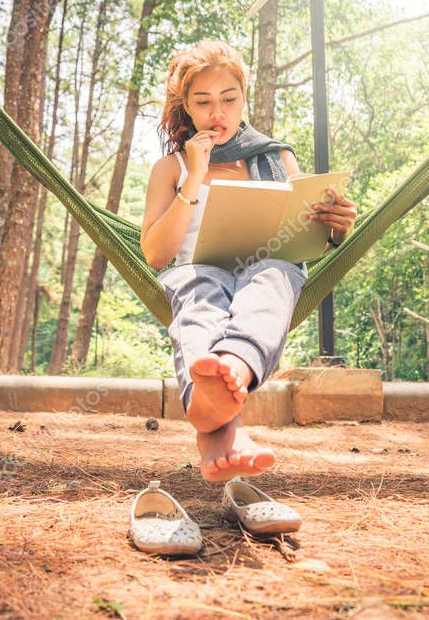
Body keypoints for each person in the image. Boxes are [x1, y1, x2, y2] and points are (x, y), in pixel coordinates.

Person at [140, 40, 357, 481]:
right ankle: (220, 413)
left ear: (244, 96)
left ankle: (229, 373)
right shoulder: (171, 168)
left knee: (274, 275)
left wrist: (338, 223)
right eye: (202, 102)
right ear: (186, 106)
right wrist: (195, 175)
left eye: (228, 99)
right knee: (200, 299)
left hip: (268, 265)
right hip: (198, 271)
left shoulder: (276, 157)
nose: (216, 113)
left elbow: (307, 230)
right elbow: (156, 254)